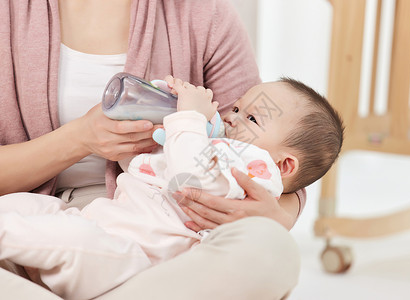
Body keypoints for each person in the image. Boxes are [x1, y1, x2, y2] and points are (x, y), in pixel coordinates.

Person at [0, 1, 304, 299]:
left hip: (147, 247)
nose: (231, 116)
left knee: (271, 248)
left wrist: (274, 216)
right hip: (56, 220)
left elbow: (278, 145)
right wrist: (80, 139)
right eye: (234, 110)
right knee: (31, 225)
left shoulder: (205, 14)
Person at [0, 75, 344, 300]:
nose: (233, 117)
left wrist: (188, 120)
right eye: (236, 107)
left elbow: (189, 177)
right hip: (93, 219)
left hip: (126, 255)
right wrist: (150, 129)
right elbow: (142, 169)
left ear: (283, 166)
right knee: (27, 208)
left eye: (252, 119)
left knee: (66, 239)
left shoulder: (252, 169)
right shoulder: (214, 146)